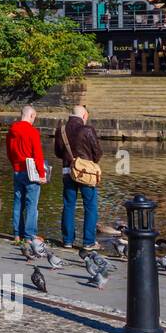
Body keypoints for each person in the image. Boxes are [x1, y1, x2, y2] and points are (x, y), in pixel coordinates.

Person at [54, 105, 103, 249]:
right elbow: (98, 153)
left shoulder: (61, 130)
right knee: (90, 206)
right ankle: (88, 242)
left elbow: (57, 153)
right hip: (86, 174)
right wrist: (86, 162)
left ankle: (67, 241)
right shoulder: (88, 130)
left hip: (67, 171)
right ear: (84, 116)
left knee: (68, 205)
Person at [5, 105, 47, 243]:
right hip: (31, 173)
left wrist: (14, 166)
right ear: (31, 115)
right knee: (31, 205)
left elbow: (9, 152)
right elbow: (38, 155)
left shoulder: (11, 131)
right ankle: (29, 236)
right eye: (34, 117)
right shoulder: (32, 131)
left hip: (17, 171)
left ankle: (17, 234)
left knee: (18, 203)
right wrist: (41, 174)